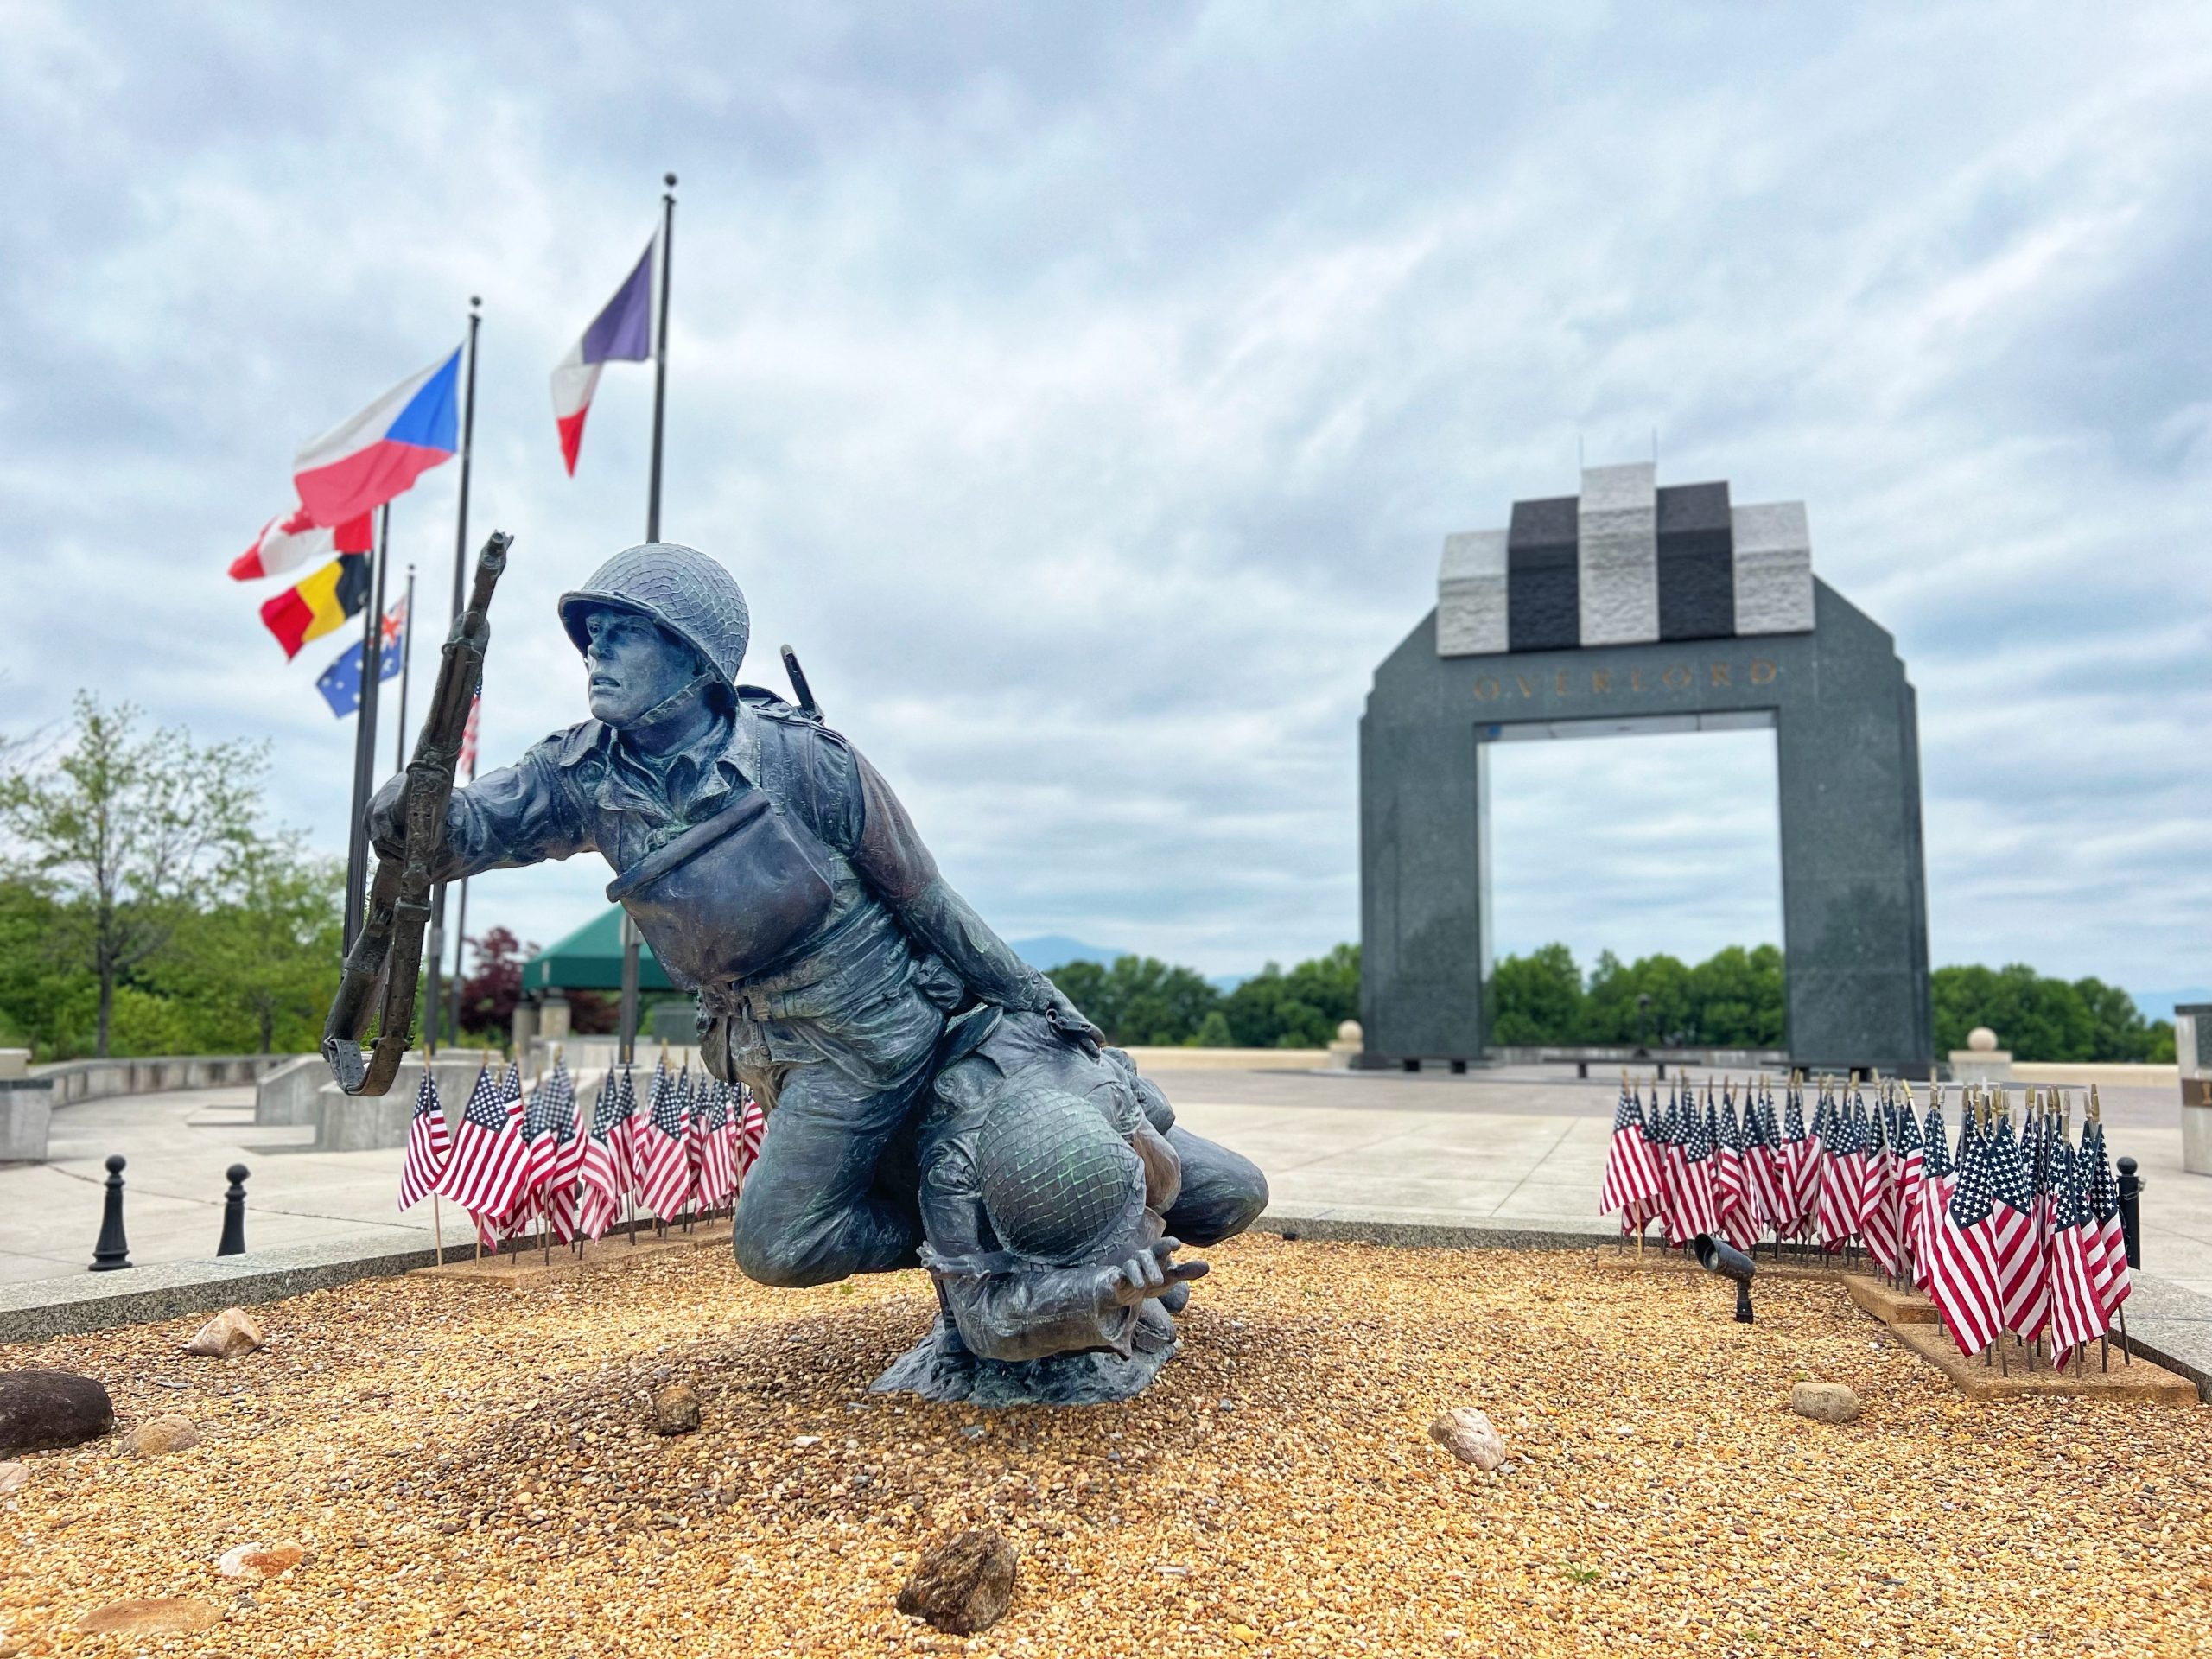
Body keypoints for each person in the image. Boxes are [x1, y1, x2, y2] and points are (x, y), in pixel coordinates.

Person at [369, 541, 1099, 1288]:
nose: (596, 648)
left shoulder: (806, 760)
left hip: (870, 1038)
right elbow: (462, 834)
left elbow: (926, 900)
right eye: (593, 633)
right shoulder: (577, 771)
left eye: (625, 631)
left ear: (694, 658)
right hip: (765, 1049)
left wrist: (1048, 1009)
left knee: (781, 1245)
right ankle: (982, 1226)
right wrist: (406, 811)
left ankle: (982, 1243)